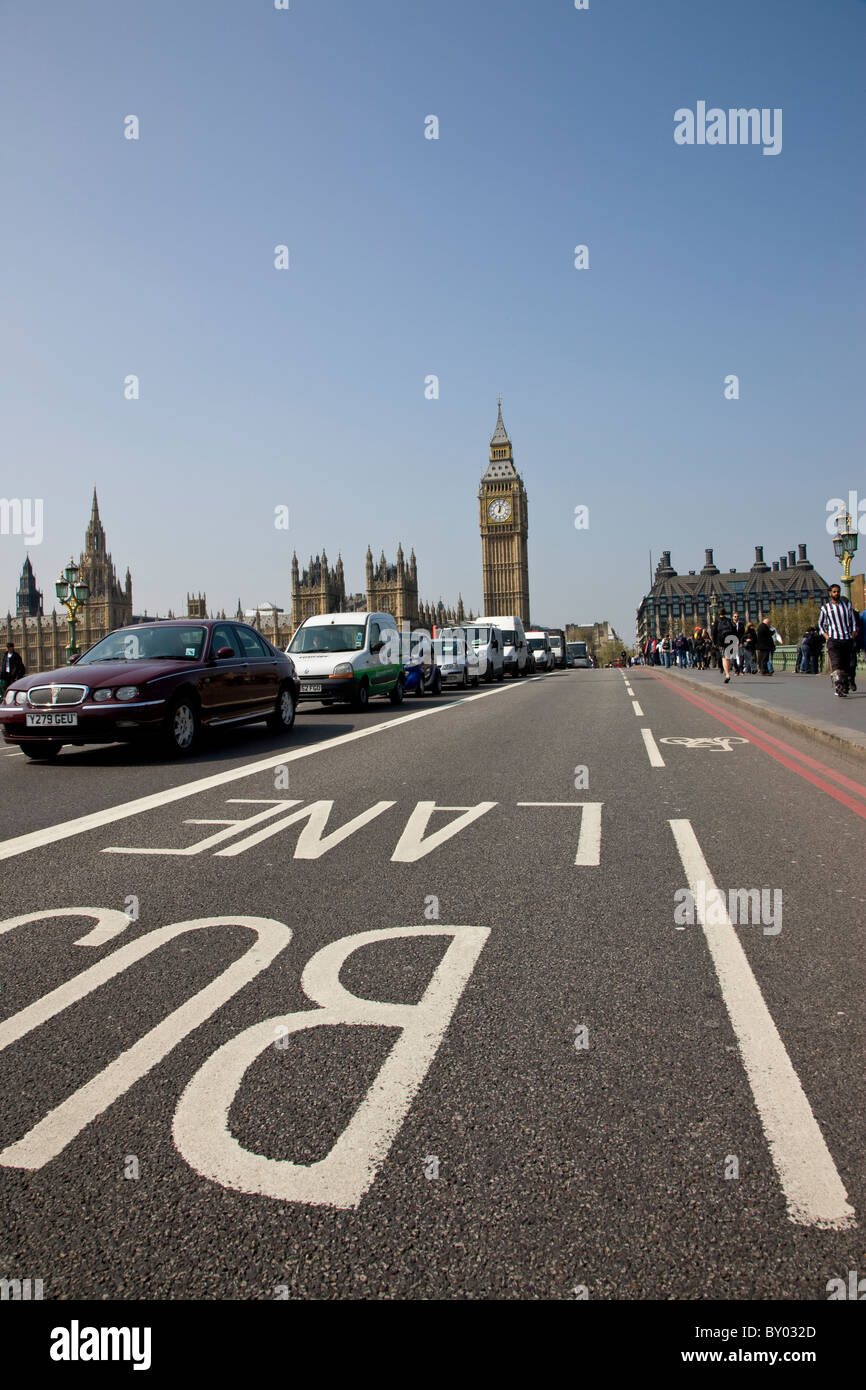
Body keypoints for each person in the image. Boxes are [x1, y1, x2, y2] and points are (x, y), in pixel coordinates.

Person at [818, 583, 858, 697]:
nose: (837, 593)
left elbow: (852, 620)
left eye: (838, 591)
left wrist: (854, 631)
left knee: (846, 666)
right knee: (836, 665)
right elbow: (820, 624)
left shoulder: (847, 606)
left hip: (847, 639)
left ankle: (844, 686)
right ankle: (838, 686)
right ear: (830, 593)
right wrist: (826, 636)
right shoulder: (825, 608)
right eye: (834, 592)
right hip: (834, 640)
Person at [711, 609, 737, 683]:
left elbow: (714, 633)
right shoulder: (729, 620)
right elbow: (734, 631)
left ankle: (727, 674)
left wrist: (715, 643)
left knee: (724, 658)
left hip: (721, 641)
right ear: (725, 613)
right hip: (729, 640)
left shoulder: (716, 621)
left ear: (719, 613)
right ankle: (728, 671)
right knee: (727, 657)